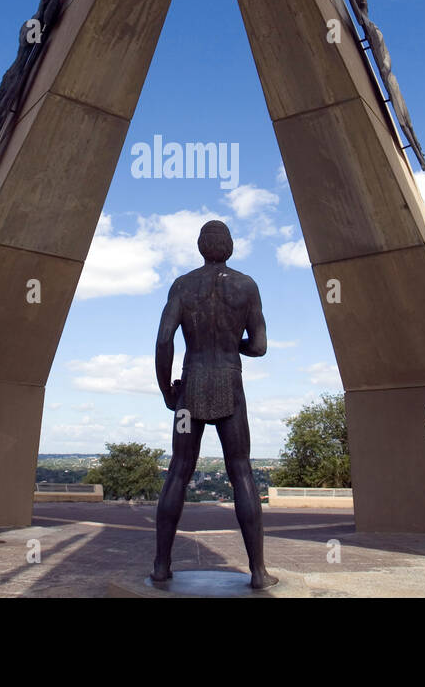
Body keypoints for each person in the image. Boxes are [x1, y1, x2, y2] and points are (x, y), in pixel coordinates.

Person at [152, 220, 275, 589]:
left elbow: (163, 342)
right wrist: (229, 339)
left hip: (190, 390)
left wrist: (167, 392)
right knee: (241, 472)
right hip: (229, 386)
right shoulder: (246, 286)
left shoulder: (183, 285)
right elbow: (259, 346)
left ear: (201, 246)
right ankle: (258, 572)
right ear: (230, 247)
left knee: (178, 471)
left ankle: (161, 566)